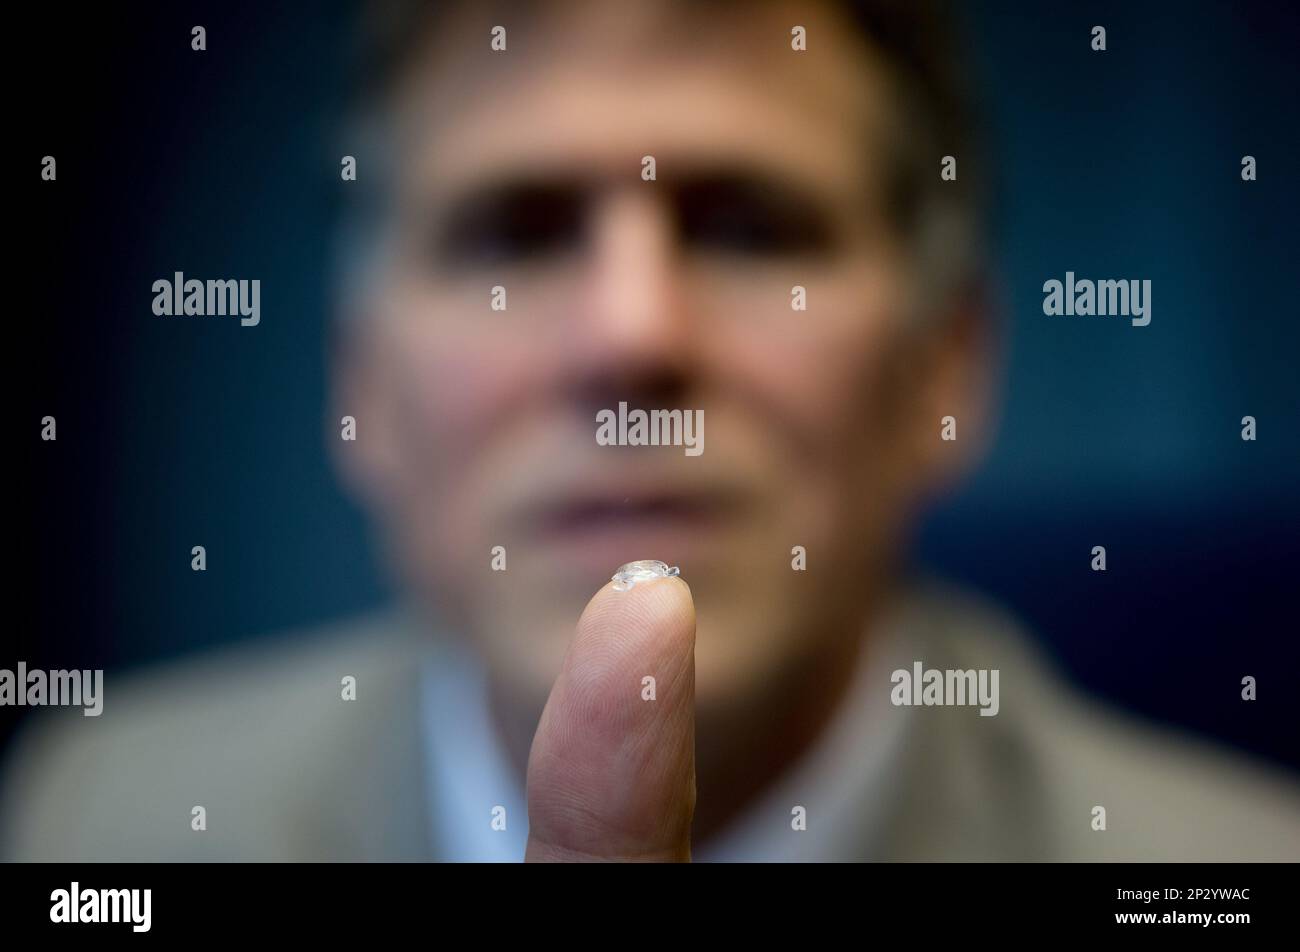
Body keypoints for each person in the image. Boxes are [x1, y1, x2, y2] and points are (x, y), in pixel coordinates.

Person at [4, 0, 1298, 862]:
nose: (629, 336)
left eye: (748, 228)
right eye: (514, 234)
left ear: (943, 371)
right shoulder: (94, 825)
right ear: (361, 391)